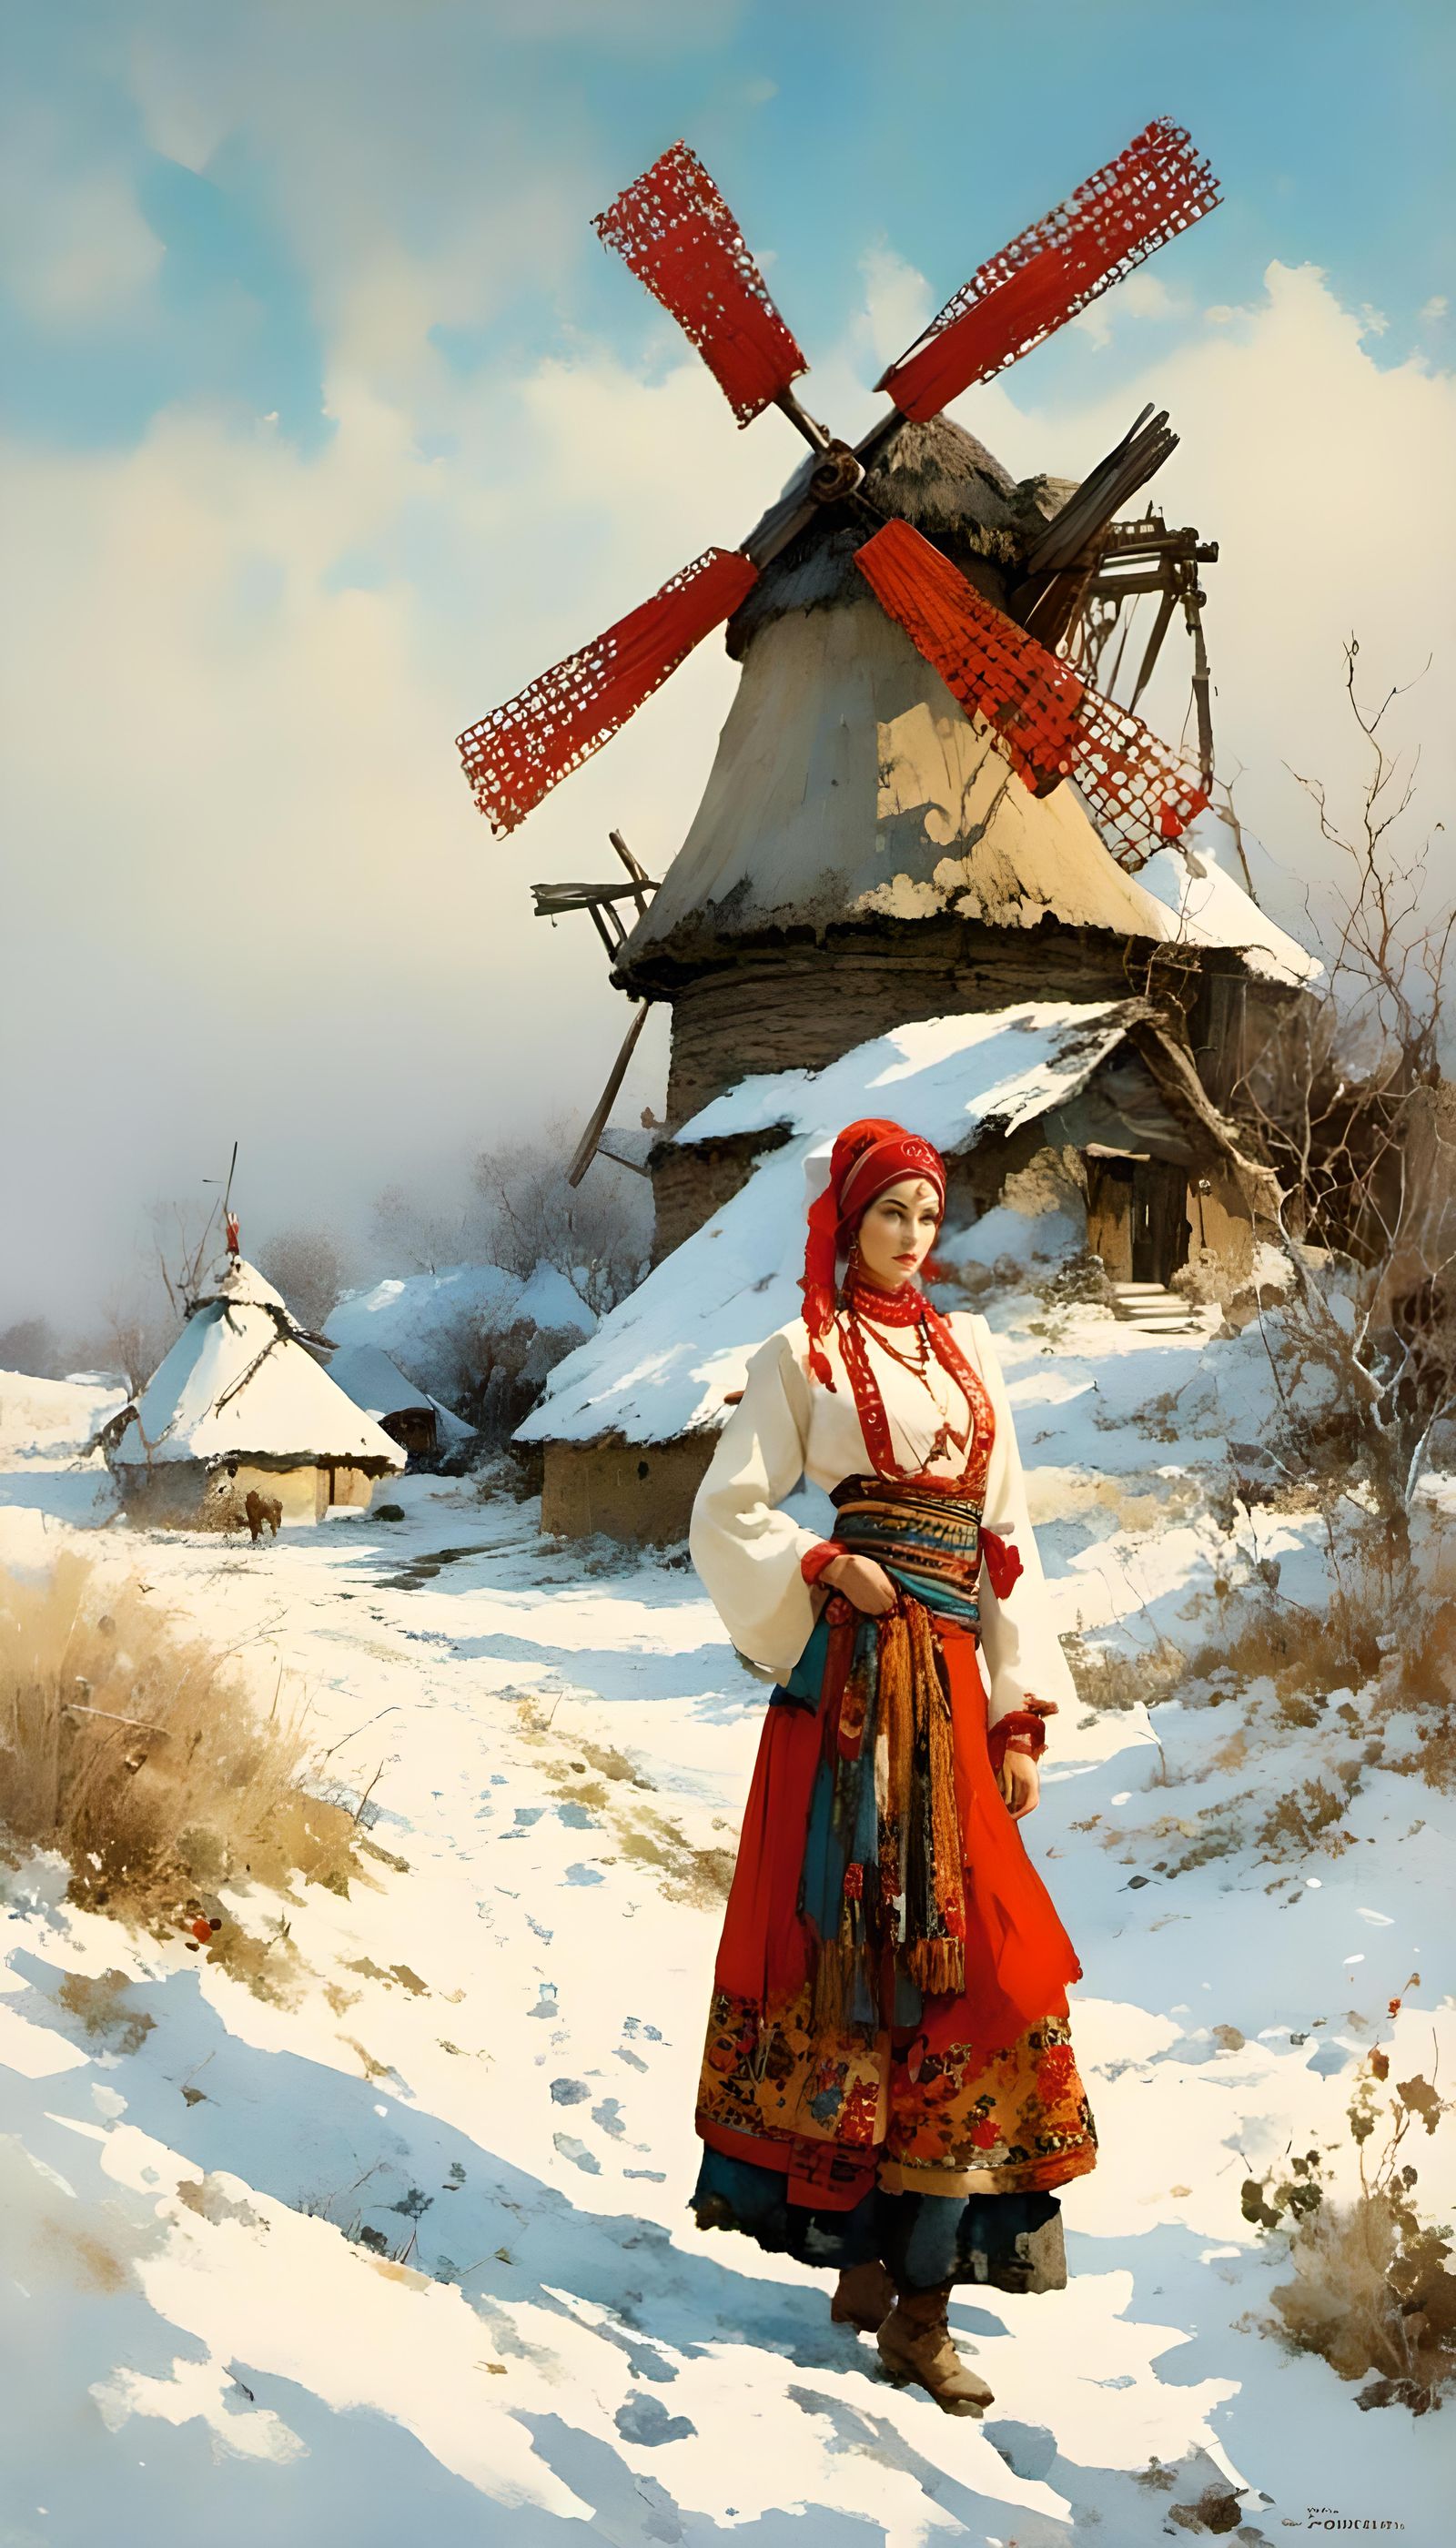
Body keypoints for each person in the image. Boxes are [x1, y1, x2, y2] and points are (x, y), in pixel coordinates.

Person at [686, 1117, 1097, 2414]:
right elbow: (724, 1512)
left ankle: (913, 2282)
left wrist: (1017, 1715)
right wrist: (825, 1564)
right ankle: (895, 2284)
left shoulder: (973, 1355)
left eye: (928, 1214)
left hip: (954, 1701)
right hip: (852, 1698)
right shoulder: (802, 1354)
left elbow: (1005, 1536)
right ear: (847, 1221)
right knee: (854, 1966)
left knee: (983, 1971)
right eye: (890, 1214)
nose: (914, 1237)